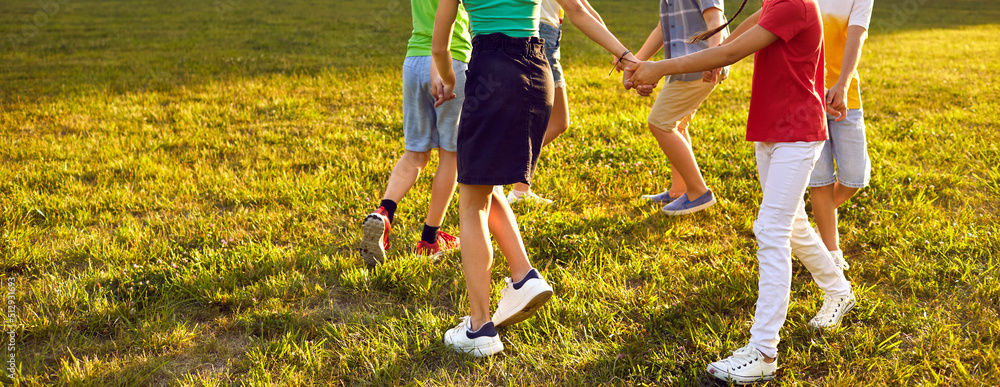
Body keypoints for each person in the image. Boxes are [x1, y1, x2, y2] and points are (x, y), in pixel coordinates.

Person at [626, 0, 856, 382]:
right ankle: (838, 289)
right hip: (771, 128)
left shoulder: (794, 5)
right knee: (793, 224)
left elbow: (732, 50)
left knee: (771, 229)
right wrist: (716, 55)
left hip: (796, 134)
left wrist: (658, 67)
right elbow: (734, 38)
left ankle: (764, 351)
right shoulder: (776, 4)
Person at [432, 0, 639, 357]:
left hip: (492, 70)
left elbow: (440, 45)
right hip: (538, 72)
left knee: (471, 200)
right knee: (485, 183)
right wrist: (626, 55)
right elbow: (577, 10)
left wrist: (448, 81)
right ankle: (523, 277)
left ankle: (480, 327)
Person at [357, 0, 470, 266]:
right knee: (450, 155)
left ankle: (385, 212)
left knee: (415, 154)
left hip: (414, 61)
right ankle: (430, 240)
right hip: (450, 60)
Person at [500, 0, 605, 205]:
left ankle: (520, 189)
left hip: (546, 35)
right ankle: (503, 170)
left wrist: (615, 50)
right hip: (539, 35)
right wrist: (620, 53)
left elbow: (582, 6)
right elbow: (577, 10)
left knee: (556, 121)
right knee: (554, 121)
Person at [630, 0, 729, 216]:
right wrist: (636, 62)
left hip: (701, 65)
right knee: (678, 124)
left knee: (660, 122)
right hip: (681, 66)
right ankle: (680, 190)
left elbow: (715, 18)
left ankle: (698, 192)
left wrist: (714, 59)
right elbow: (661, 29)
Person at [809, 0, 875, 270]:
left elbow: (856, 37)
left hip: (845, 95)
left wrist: (842, 85)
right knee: (820, 180)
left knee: (854, 177)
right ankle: (830, 250)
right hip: (807, 94)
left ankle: (809, 220)